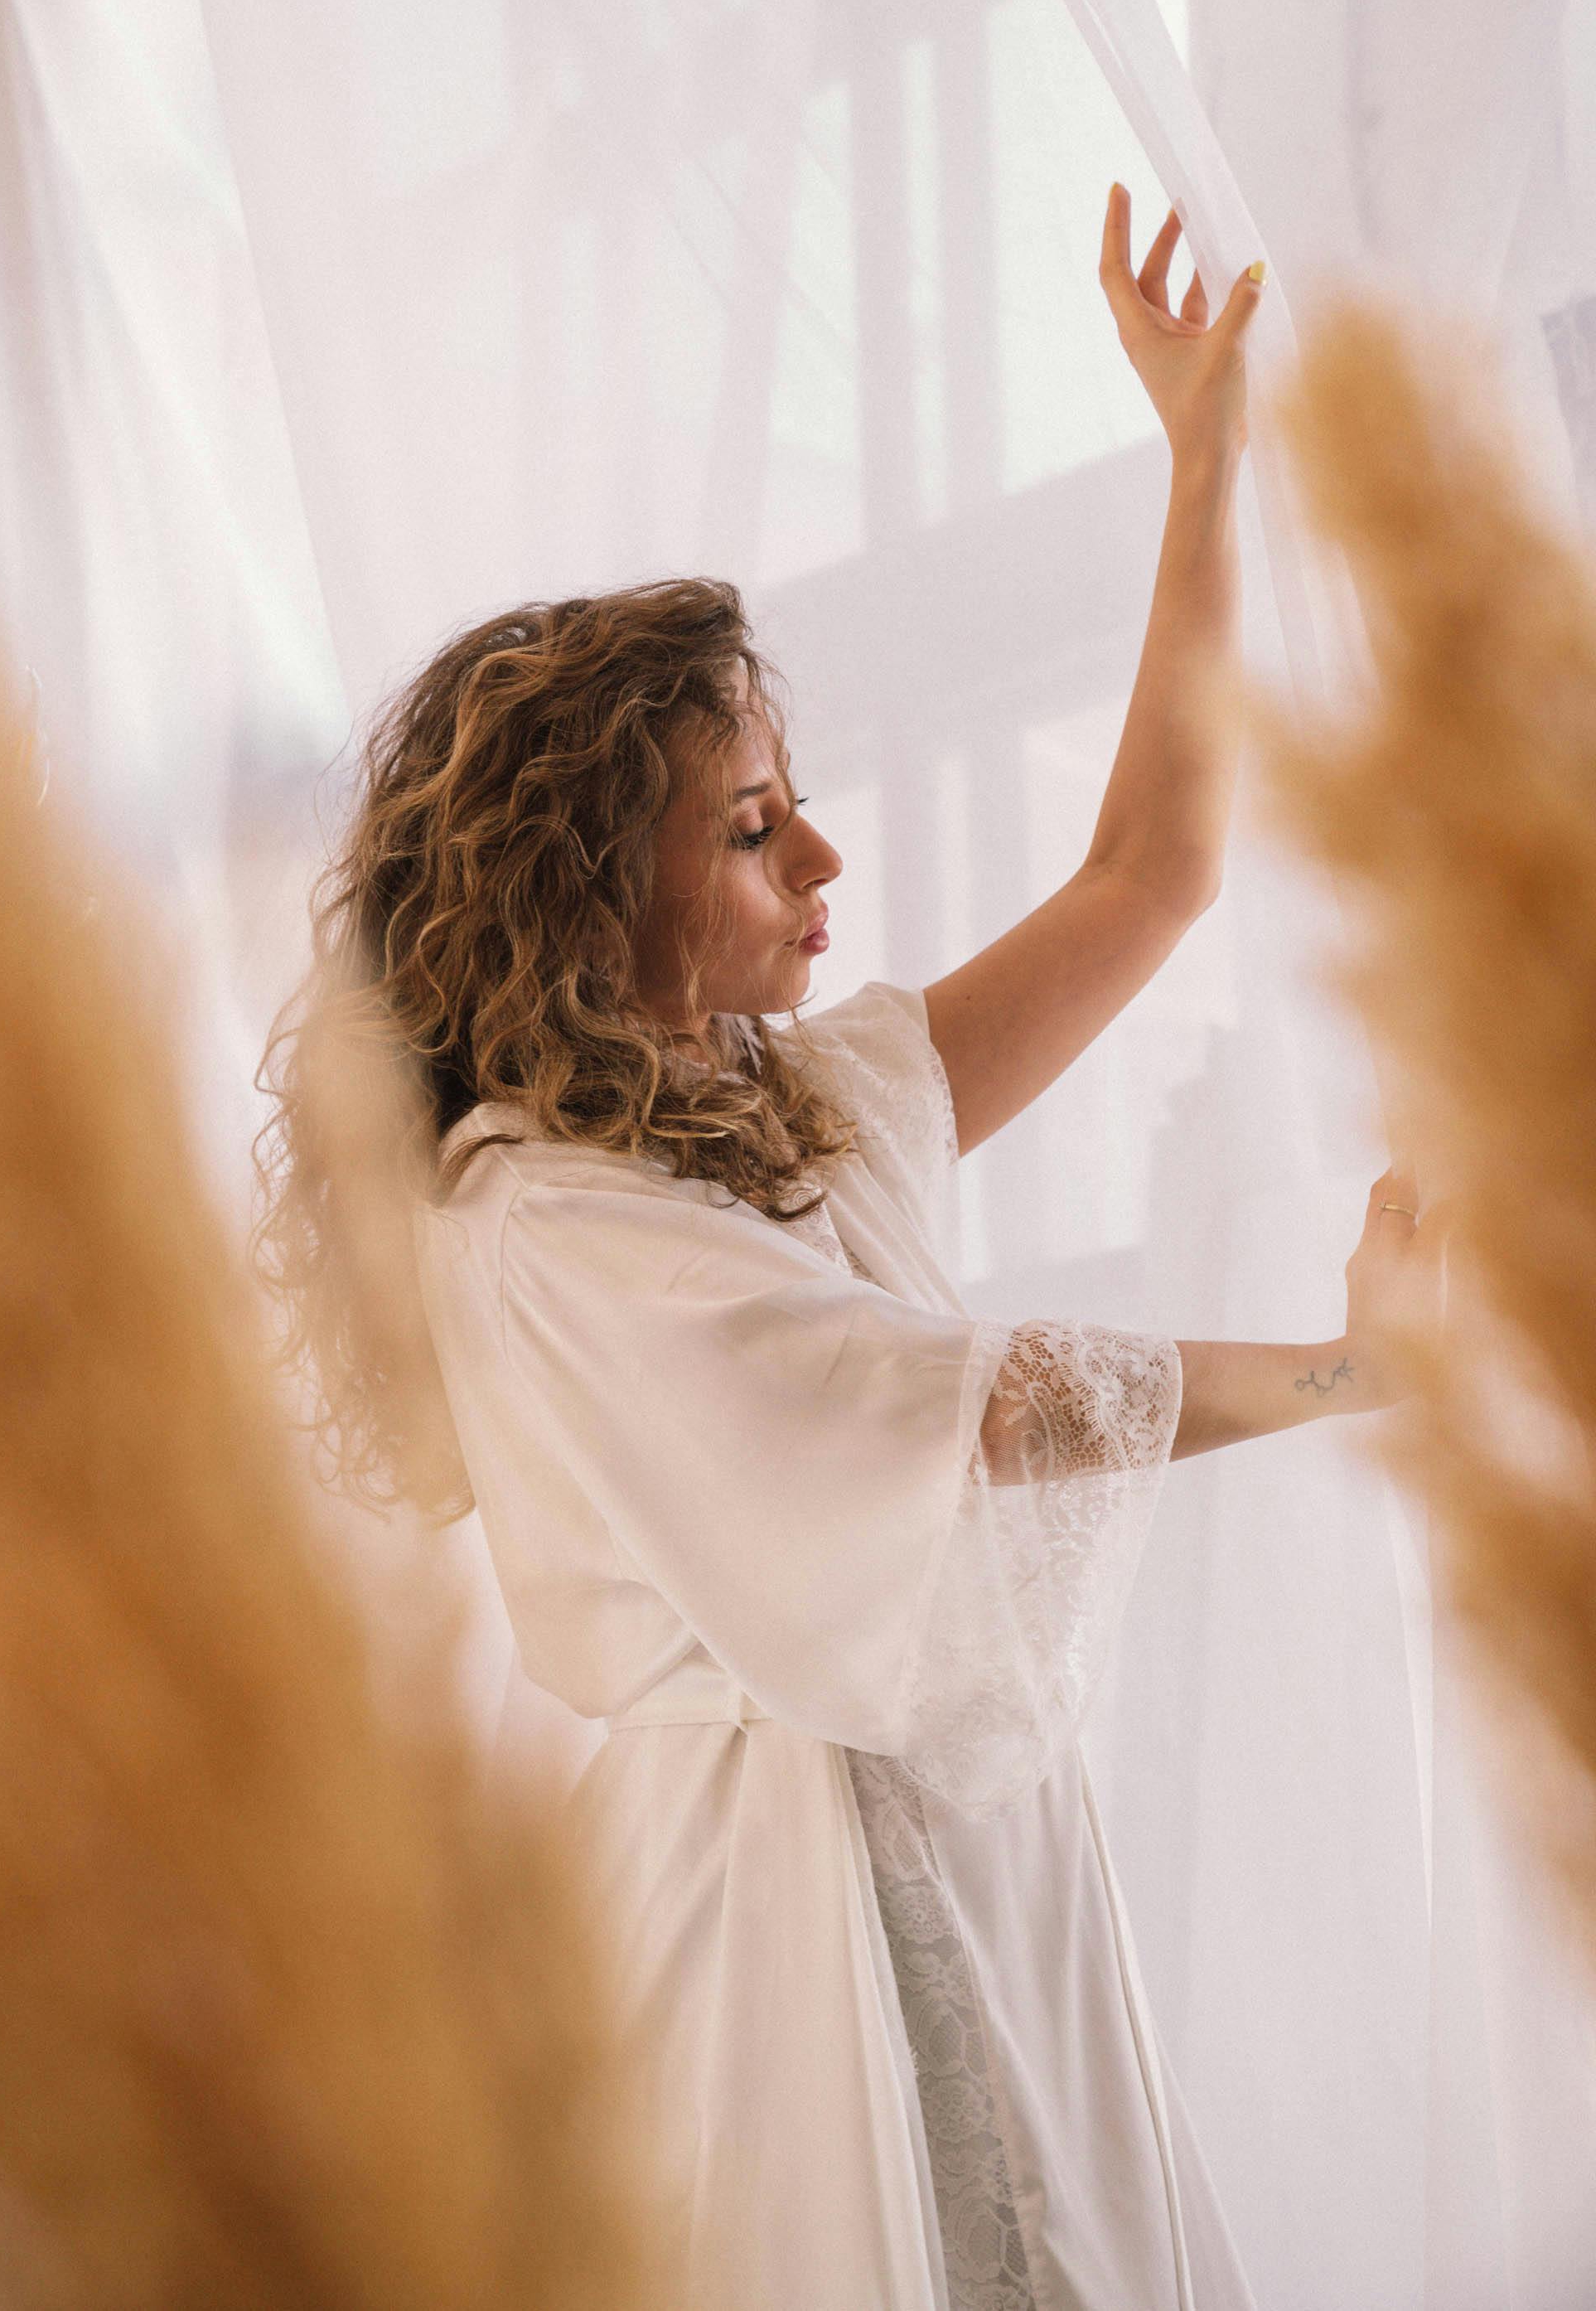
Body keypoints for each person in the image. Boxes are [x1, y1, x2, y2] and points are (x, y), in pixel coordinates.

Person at [259, 196, 1444, 2310]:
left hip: (984, 1857)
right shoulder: (537, 1220)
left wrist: (1205, 463)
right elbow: (956, 1414)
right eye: (748, 826)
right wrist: (1348, 1371)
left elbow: (1149, 870)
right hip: (777, 1911)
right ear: (581, 898)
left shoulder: (805, 1102)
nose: (824, 857)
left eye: (792, 801)